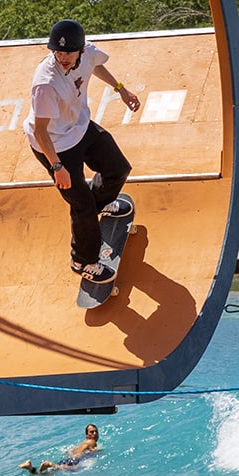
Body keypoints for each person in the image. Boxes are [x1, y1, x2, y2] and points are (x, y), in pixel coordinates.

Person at [25, 20, 142, 281]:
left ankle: (94, 206)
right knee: (81, 205)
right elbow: (40, 132)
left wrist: (121, 89)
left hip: (80, 127)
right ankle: (82, 261)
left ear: (79, 50)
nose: (63, 57)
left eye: (68, 53)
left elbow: (96, 65)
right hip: (54, 145)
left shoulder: (87, 52)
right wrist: (57, 167)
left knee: (118, 168)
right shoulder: (45, 83)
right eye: (58, 52)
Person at [21, 424, 100, 474]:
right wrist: (99, 451)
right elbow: (93, 451)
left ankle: (30, 468)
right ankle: (51, 464)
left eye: (96, 431)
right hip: (75, 461)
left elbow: (71, 450)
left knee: (44, 474)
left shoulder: (82, 444)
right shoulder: (92, 442)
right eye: (92, 432)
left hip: (69, 459)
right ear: (87, 435)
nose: (95, 434)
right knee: (76, 469)